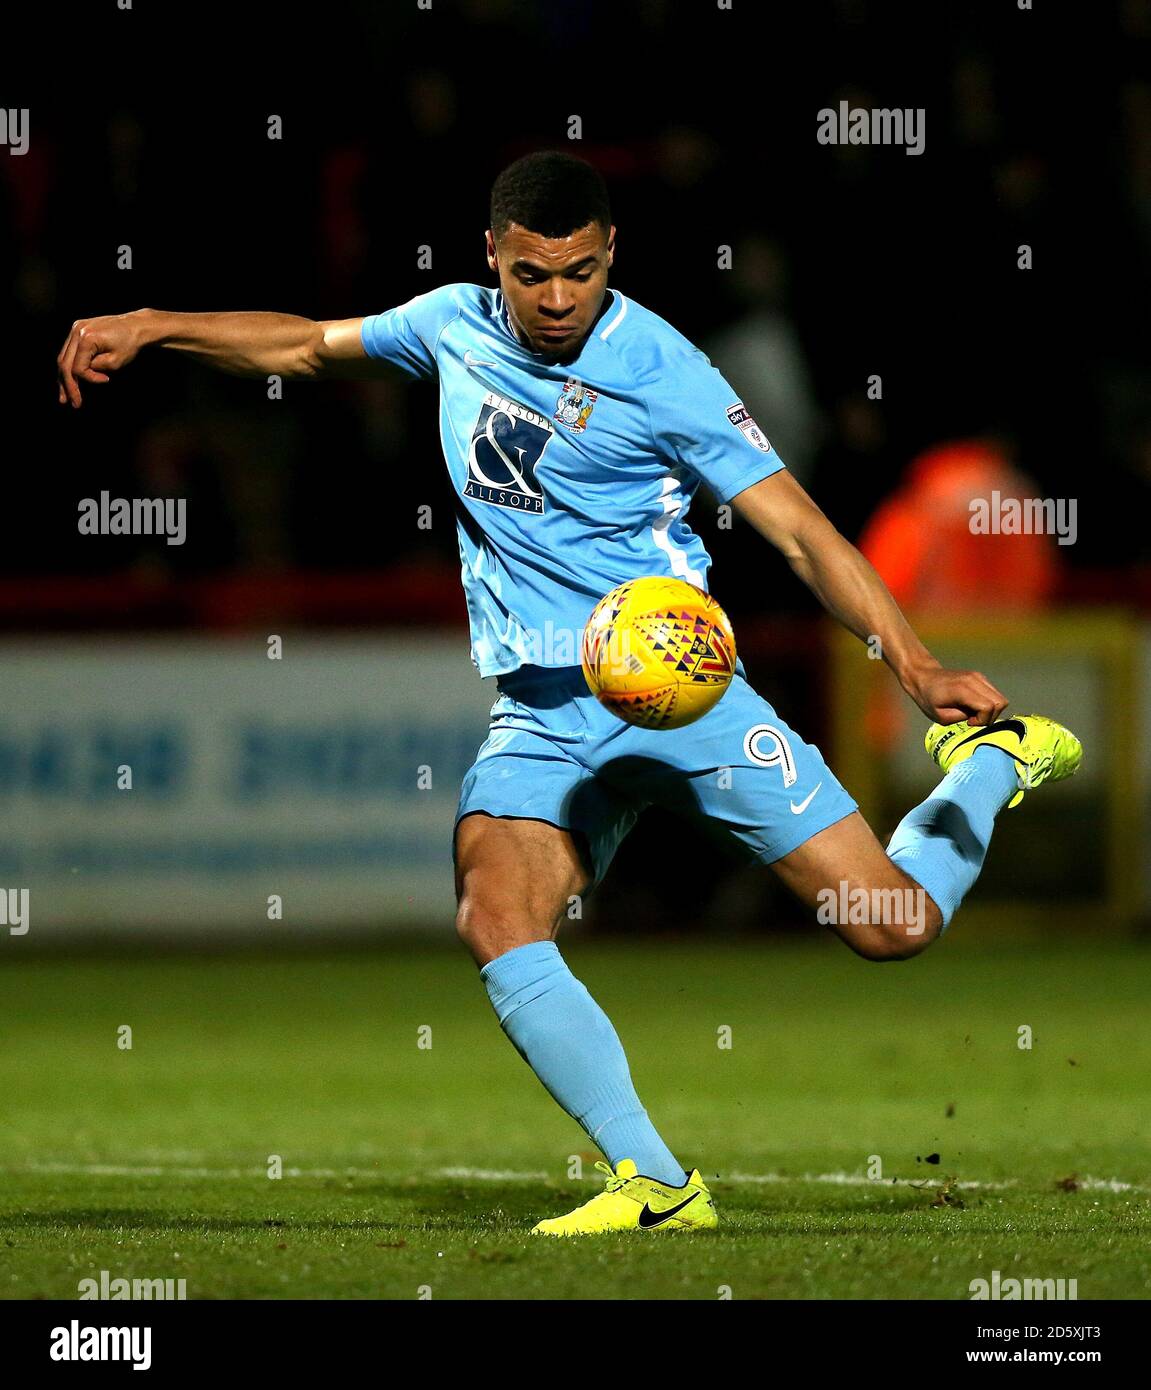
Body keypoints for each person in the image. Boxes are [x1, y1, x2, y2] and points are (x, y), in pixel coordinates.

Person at [55, 150, 1082, 1237]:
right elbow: (307, 347)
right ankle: (656, 1183)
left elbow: (798, 530)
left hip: (680, 693)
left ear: (609, 259)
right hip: (540, 707)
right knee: (494, 911)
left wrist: (913, 665)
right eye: (533, 275)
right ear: (491, 257)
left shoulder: (664, 368)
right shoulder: (449, 323)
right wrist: (155, 321)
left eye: (581, 274)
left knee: (891, 925)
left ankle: (992, 763)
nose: (556, 300)